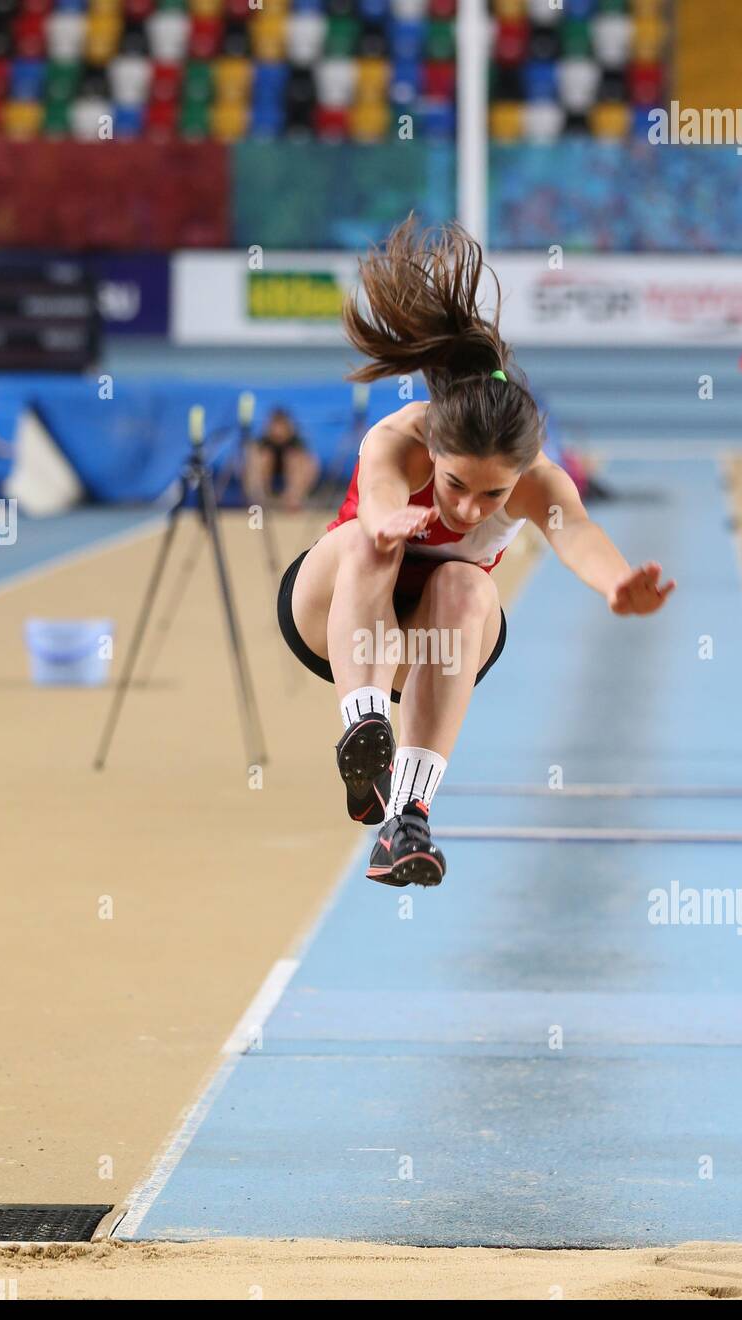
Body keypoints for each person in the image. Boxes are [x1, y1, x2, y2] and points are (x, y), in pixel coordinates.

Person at [276, 215, 675, 888]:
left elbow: (574, 530)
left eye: (494, 496)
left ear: (519, 474)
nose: (466, 509)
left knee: (471, 588)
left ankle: (406, 815)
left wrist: (613, 582)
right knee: (367, 544)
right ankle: (364, 730)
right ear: (434, 447)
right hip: (339, 617)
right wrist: (388, 518)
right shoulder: (397, 440)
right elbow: (376, 495)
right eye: (456, 485)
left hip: (430, 646)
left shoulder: (538, 480)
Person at [244, 406, 319, 511]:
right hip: (267, 472)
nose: (278, 431)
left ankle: (293, 498)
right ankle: (259, 498)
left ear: (287, 427)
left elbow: (311, 466)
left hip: (291, 475)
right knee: (261, 457)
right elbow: (251, 465)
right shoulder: (262, 443)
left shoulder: (296, 443)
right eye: (275, 426)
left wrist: (296, 491)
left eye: (281, 427)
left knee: (294, 458)